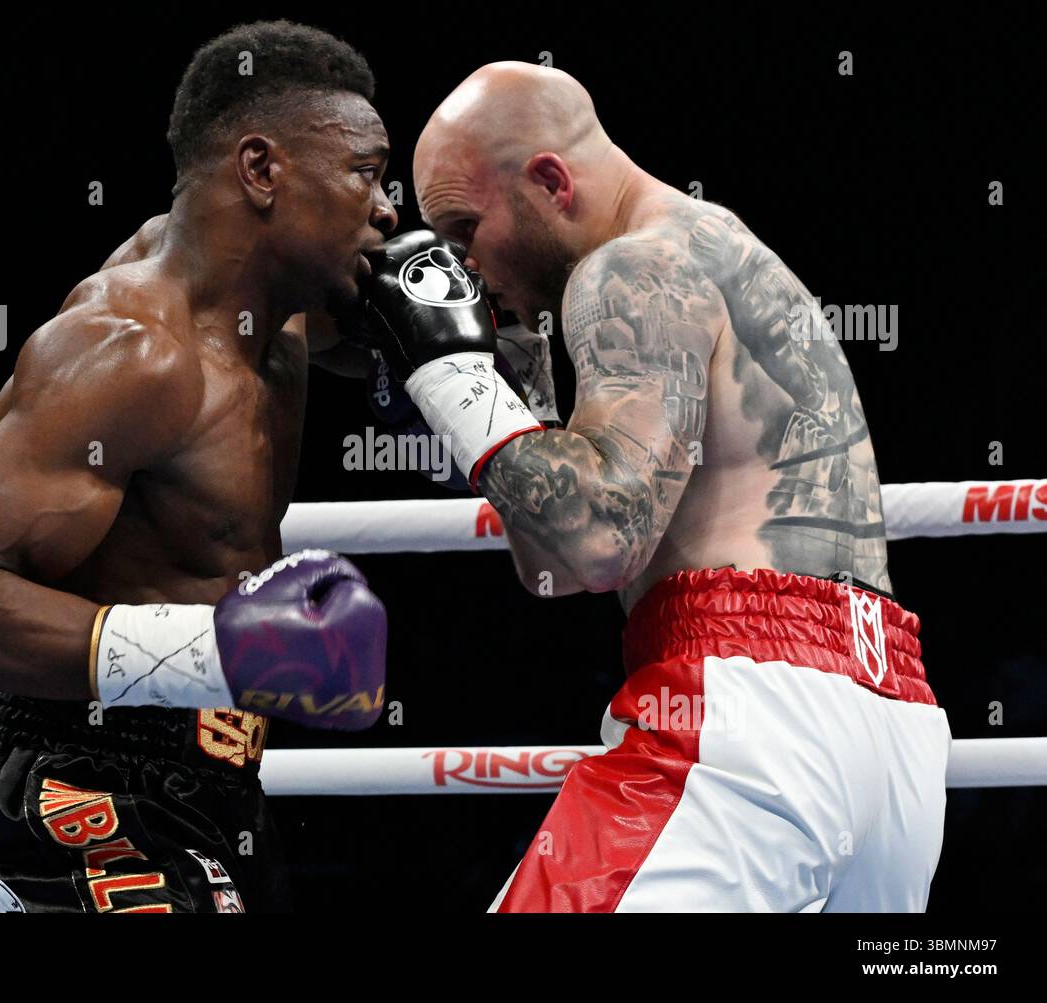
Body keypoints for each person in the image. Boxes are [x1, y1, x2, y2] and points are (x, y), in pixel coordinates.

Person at [350, 60, 950, 911]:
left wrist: (450, 380)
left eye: (464, 230)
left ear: (551, 182)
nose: (465, 269)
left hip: (747, 712)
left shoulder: (630, 271)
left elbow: (601, 542)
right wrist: (515, 383)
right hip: (892, 728)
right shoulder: (713, 245)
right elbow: (552, 566)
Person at [0, 21, 396, 914]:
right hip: (74, 775)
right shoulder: (129, 351)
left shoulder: (280, 307)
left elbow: (380, 343)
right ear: (262, 170)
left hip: (221, 785)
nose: (388, 208)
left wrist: (466, 345)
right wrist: (214, 652)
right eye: (366, 173)